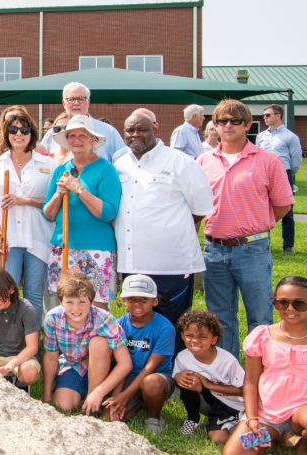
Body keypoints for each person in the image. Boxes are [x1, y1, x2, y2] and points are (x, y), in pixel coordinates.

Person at [196, 99, 294, 359]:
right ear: (214, 125)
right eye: (222, 121)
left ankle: (260, 375)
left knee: (260, 316)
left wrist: (256, 222)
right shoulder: (203, 161)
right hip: (214, 250)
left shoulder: (268, 160)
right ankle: (228, 377)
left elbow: (282, 205)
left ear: (248, 124)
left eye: (235, 121)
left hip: (252, 249)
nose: (228, 125)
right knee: (219, 318)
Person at [114, 110, 214, 353]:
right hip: (133, 263)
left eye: (142, 129)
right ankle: (141, 375)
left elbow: (200, 209)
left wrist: (169, 228)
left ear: (155, 129)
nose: (136, 134)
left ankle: (171, 377)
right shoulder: (120, 164)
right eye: (130, 130)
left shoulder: (180, 162)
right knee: (139, 324)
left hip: (171, 264)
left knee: (173, 323)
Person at [42, 115, 122, 312]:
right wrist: (59, 195)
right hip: (64, 246)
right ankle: (69, 343)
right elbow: (48, 214)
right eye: (72, 135)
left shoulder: (106, 169)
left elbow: (108, 213)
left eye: (83, 135)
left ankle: (97, 344)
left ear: (93, 140)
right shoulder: (62, 169)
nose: (77, 140)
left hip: (96, 248)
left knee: (96, 306)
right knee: (67, 305)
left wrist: (79, 190)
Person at [222, 276, 307, 455]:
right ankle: (280, 437)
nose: (290, 309)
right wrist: (253, 419)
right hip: (268, 414)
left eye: (299, 303)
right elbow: (251, 382)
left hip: (303, 413)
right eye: (282, 303)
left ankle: (303, 445)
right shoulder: (262, 336)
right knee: (235, 453)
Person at [0, 109, 54, 315]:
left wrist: (25, 200)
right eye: (13, 130)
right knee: (5, 294)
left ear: (32, 134)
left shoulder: (48, 164)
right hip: (7, 237)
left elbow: (54, 202)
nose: (19, 134)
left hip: (38, 236)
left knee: (34, 295)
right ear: (6, 134)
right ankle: (10, 344)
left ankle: (33, 344)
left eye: (24, 129)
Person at [42, 272, 132, 415]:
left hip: (104, 366)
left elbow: (125, 363)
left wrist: (98, 392)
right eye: (69, 302)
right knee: (62, 406)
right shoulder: (52, 318)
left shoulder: (104, 319)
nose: (76, 309)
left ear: (92, 301)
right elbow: (51, 357)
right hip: (74, 365)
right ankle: (84, 398)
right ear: (60, 301)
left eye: (82, 302)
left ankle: (92, 404)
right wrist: (46, 395)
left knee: (98, 343)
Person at [102, 275, 176, 434]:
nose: (137, 303)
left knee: (151, 383)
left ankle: (153, 416)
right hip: (127, 378)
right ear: (124, 301)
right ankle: (140, 404)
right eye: (131, 299)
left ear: (155, 301)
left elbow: (151, 367)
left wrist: (126, 395)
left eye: (144, 299)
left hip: (156, 378)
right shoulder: (118, 323)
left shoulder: (165, 328)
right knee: (109, 421)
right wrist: (120, 393)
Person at [173, 310, 245, 442]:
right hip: (214, 405)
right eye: (189, 335)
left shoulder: (228, 362)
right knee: (217, 439)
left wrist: (209, 385)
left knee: (229, 438)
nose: (195, 341)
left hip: (238, 407)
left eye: (202, 337)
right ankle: (193, 419)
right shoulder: (182, 357)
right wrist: (177, 377)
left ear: (214, 339)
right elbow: (181, 385)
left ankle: (246, 430)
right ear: (183, 336)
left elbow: (245, 390)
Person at [38, 82, 126, 163]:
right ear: (64, 103)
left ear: (88, 102)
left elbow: (124, 162)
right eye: (71, 99)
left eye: (81, 99)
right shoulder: (54, 133)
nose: (76, 103)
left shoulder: (108, 132)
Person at [257, 104, 302, 254]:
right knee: (262, 209)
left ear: (278, 116)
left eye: (268, 115)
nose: (265, 117)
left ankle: (288, 245)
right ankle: (264, 242)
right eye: (264, 115)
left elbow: (296, 161)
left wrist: (286, 174)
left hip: (283, 175)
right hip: (263, 176)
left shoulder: (290, 136)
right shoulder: (261, 136)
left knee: (286, 211)